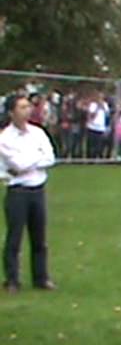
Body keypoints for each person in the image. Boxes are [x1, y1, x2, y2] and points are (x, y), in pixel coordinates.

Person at [0, 94, 57, 294]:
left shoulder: (38, 132)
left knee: (39, 238)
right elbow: (17, 164)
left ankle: (41, 278)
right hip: (18, 191)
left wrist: (29, 161)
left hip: (37, 189)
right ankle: (12, 280)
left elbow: (50, 158)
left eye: (28, 106)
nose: (28, 110)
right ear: (11, 112)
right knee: (14, 237)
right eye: (22, 107)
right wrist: (35, 158)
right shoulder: (5, 138)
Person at [85, 92, 109, 159]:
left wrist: (103, 107)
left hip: (101, 128)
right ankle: (89, 158)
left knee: (99, 144)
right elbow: (91, 116)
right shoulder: (92, 105)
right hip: (92, 127)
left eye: (101, 98)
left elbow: (107, 116)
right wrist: (97, 108)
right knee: (91, 143)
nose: (100, 99)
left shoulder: (105, 105)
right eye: (99, 97)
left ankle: (97, 157)